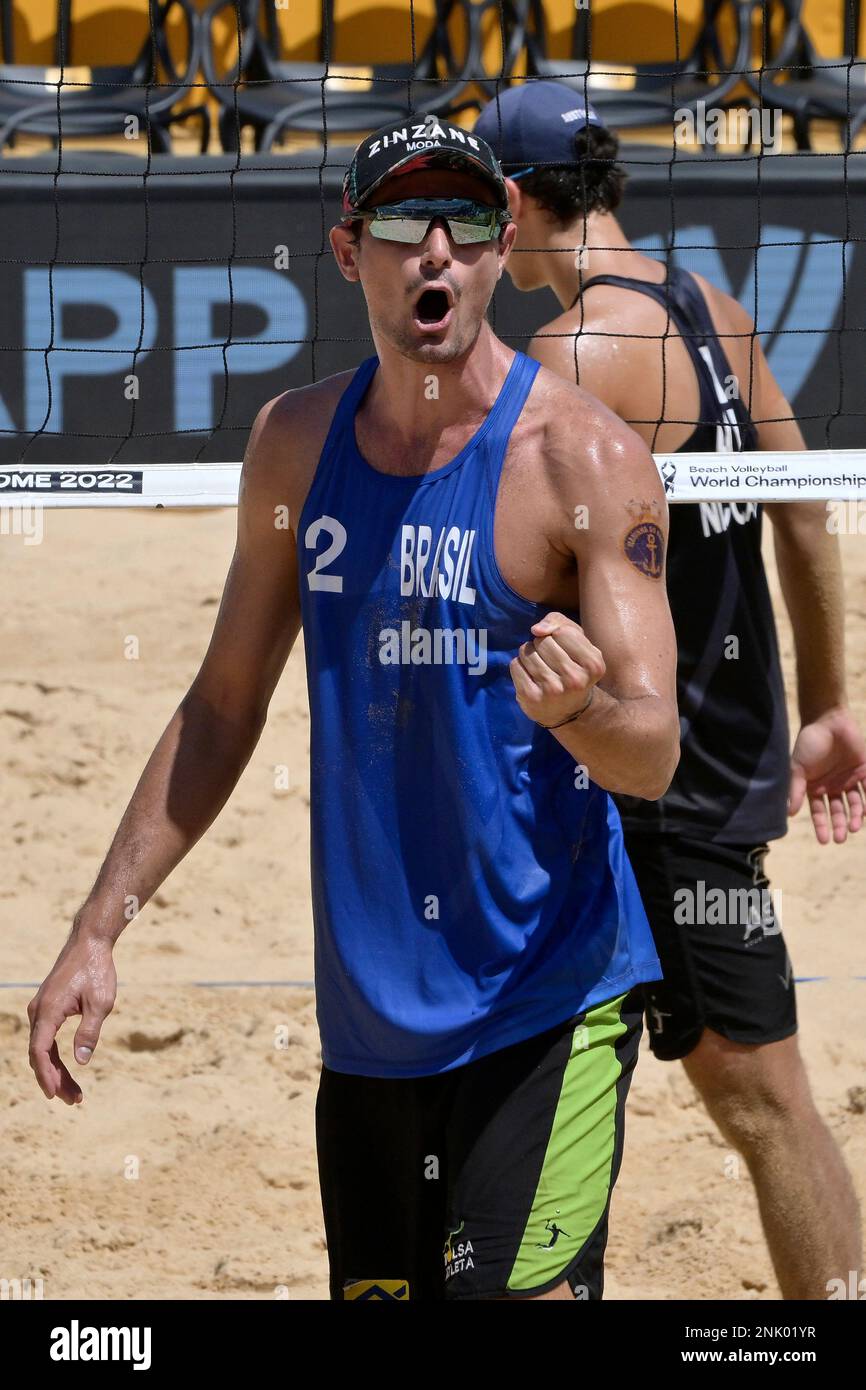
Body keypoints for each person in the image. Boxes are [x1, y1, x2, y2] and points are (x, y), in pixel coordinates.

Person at [27, 118, 679, 1302]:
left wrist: (581, 712)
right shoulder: (294, 444)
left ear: (502, 245)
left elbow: (652, 754)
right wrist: (99, 927)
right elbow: (222, 707)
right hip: (372, 1024)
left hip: (548, 997)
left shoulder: (582, 458)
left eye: (465, 221)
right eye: (403, 221)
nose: (436, 250)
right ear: (347, 251)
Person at [475, 80, 866, 1299]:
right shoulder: (710, 305)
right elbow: (805, 513)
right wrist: (826, 704)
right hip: (725, 755)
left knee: (751, 1102)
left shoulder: (573, 352)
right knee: (748, 1099)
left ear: (510, 202)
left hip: (652, 784)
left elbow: (502, 572)